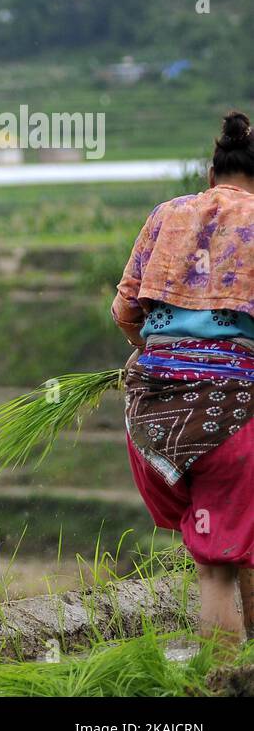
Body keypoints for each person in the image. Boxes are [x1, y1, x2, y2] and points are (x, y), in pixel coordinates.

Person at [113, 110, 254, 644]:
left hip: (151, 410)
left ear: (212, 175)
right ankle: (224, 682)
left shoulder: (167, 214)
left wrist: (165, 351)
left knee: (225, 539)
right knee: (219, 564)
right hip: (232, 409)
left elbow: (127, 313)